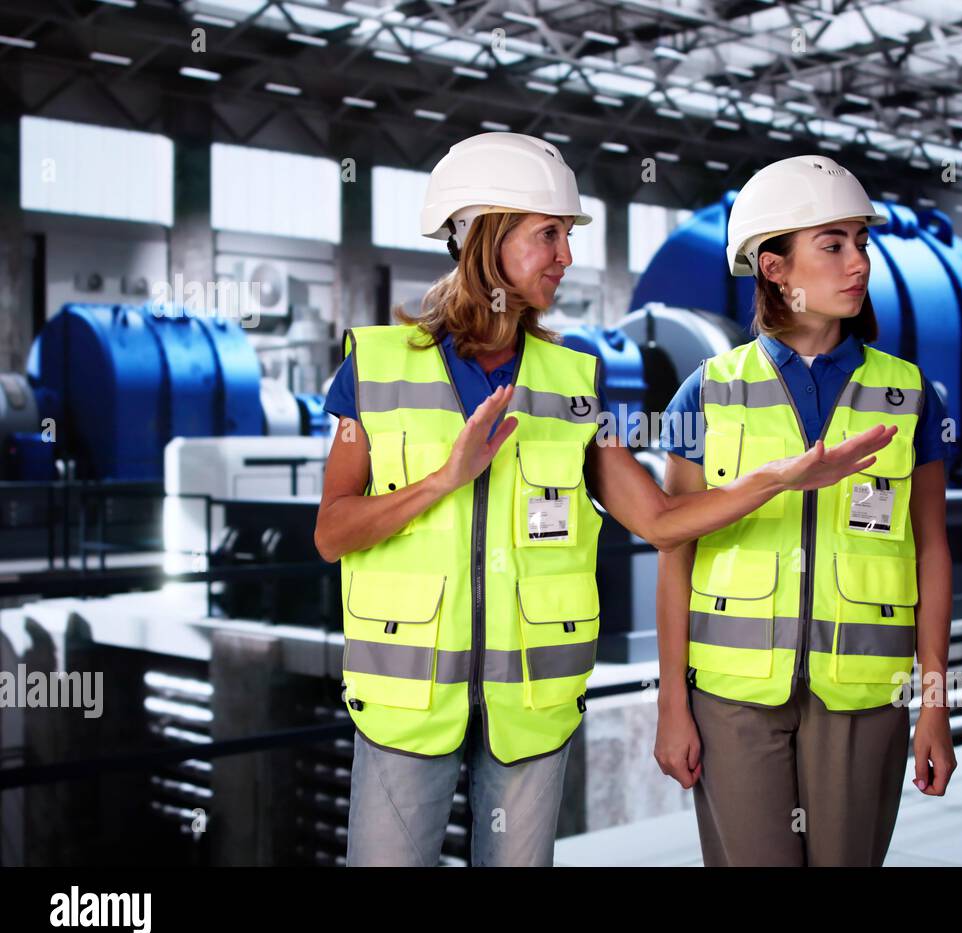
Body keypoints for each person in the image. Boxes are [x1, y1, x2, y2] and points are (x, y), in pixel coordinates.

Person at [313, 133, 899, 867]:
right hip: (405, 706)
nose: (565, 256)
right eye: (548, 234)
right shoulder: (371, 368)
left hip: (532, 708)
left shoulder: (575, 383)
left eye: (567, 237)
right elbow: (332, 532)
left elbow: (658, 521)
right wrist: (443, 481)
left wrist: (777, 478)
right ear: (484, 233)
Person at [653, 154, 958, 866]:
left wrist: (936, 703)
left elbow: (932, 553)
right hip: (731, 699)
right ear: (773, 267)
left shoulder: (912, 396)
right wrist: (672, 706)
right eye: (833, 244)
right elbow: (676, 552)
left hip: (863, 695)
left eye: (861, 241)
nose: (859, 261)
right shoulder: (707, 394)